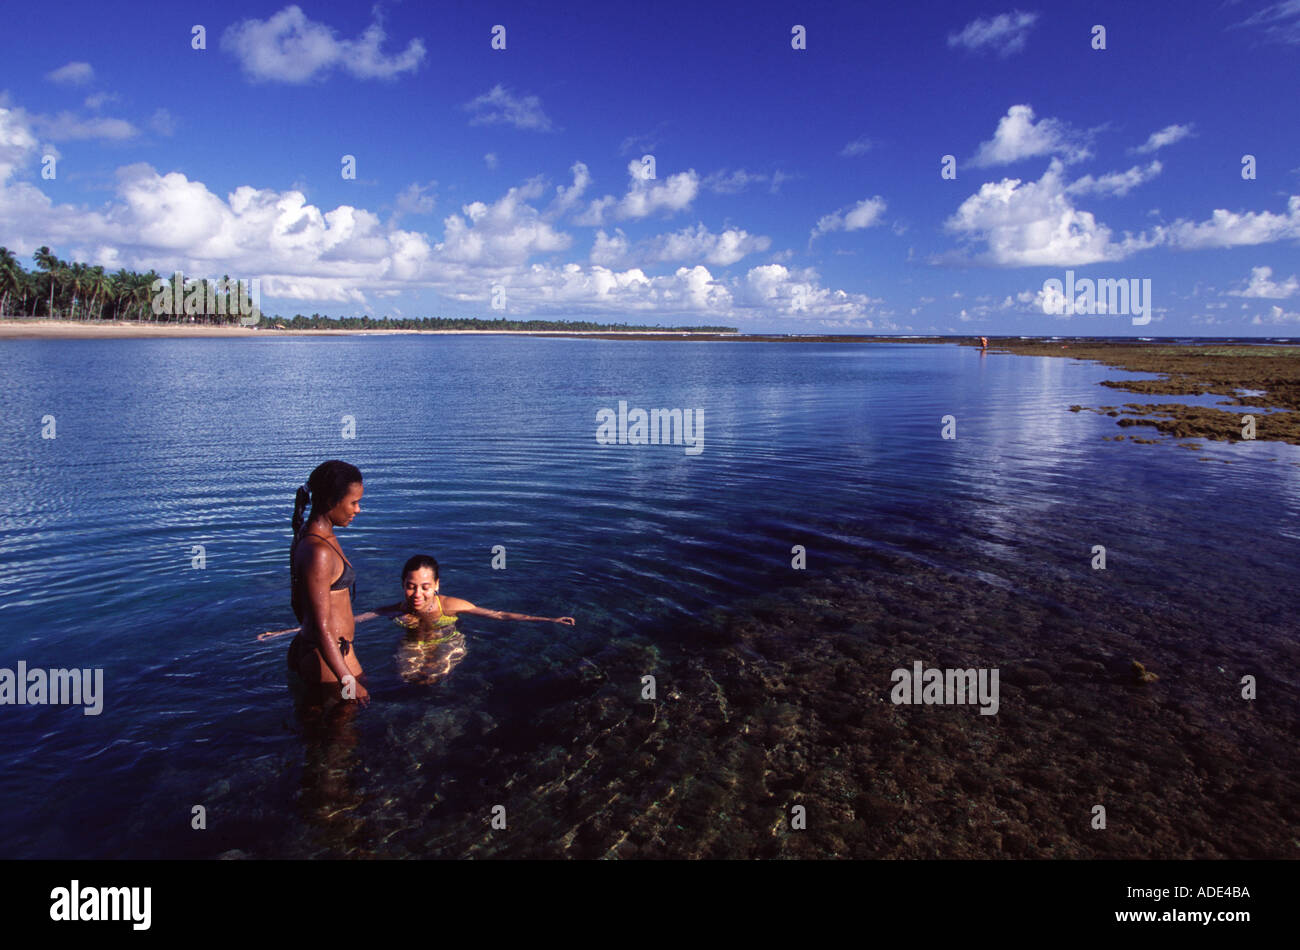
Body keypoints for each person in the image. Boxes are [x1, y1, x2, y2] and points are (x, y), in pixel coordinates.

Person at [262, 554, 575, 685]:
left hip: (447, 642)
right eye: (411, 586)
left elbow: (499, 615)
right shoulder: (400, 608)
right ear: (403, 584)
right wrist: (284, 632)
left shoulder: (451, 605)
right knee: (409, 679)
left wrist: (550, 620)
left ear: (437, 585)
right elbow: (353, 619)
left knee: (433, 678)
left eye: (425, 587)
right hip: (412, 643)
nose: (417, 593)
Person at [286, 460, 368, 705]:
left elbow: (297, 605)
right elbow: (322, 626)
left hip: (324, 653)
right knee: (341, 739)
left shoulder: (314, 537)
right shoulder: (318, 551)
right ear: (332, 500)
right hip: (328, 659)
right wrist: (348, 679)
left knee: (323, 736)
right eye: (353, 502)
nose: (358, 509)